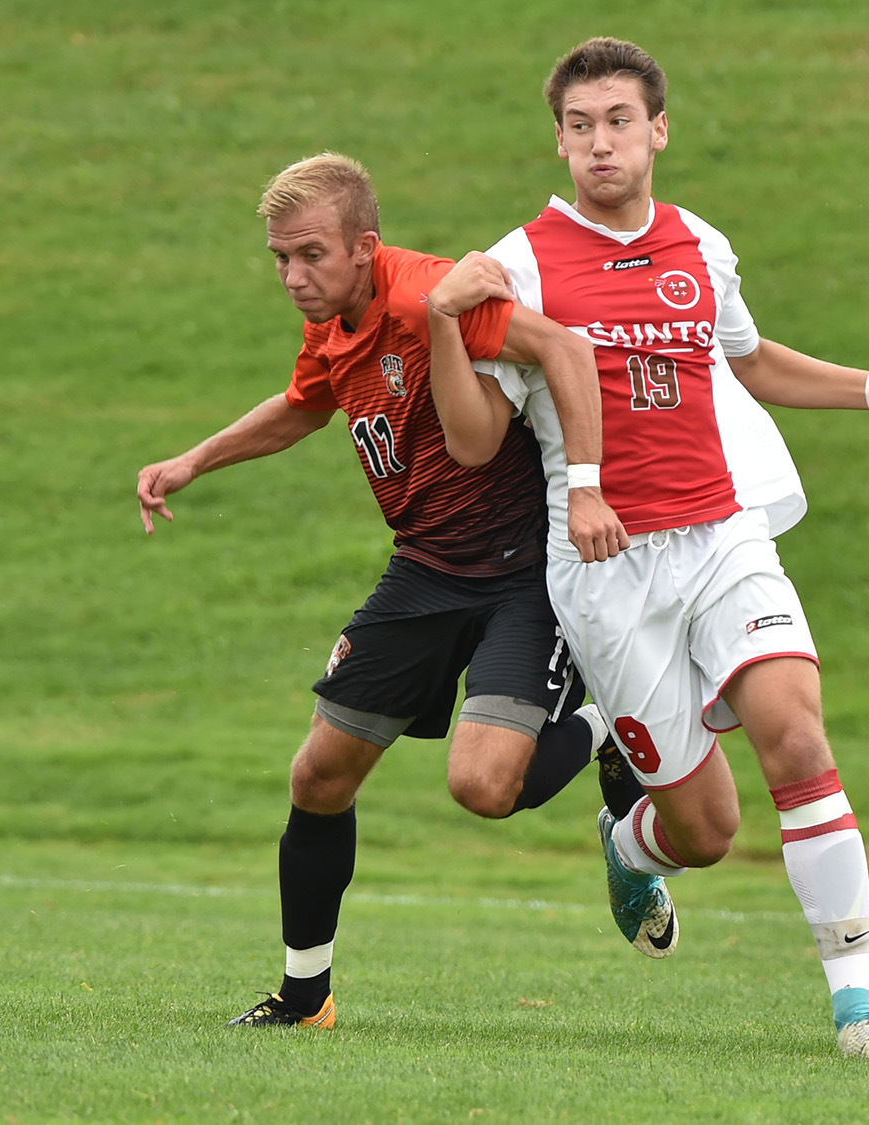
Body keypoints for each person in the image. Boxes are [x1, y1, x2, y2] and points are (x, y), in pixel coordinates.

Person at [422, 38, 869, 1060]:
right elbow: (473, 441)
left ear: (657, 129)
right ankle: (628, 849)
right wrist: (447, 324)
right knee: (704, 831)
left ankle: (859, 1007)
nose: (599, 145)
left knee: (795, 735)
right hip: (603, 576)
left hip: (720, 536)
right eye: (579, 128)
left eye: (618, 121)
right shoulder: (522, 262)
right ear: (558, 142)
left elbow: (753, 366)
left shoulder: (698, 245)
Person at [136, 152, 649, 1031]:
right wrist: (195, 459)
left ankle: (609, 728)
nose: (293, 277)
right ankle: (305, 998)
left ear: (365, 246)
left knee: (488, 788)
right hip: (423, 568)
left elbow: (563, 348)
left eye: (310, 256)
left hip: (520, 570)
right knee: (319, 775)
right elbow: (308, 402)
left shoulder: (432, 296)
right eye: (279, 259)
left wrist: (592, 487)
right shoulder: (337, 318)